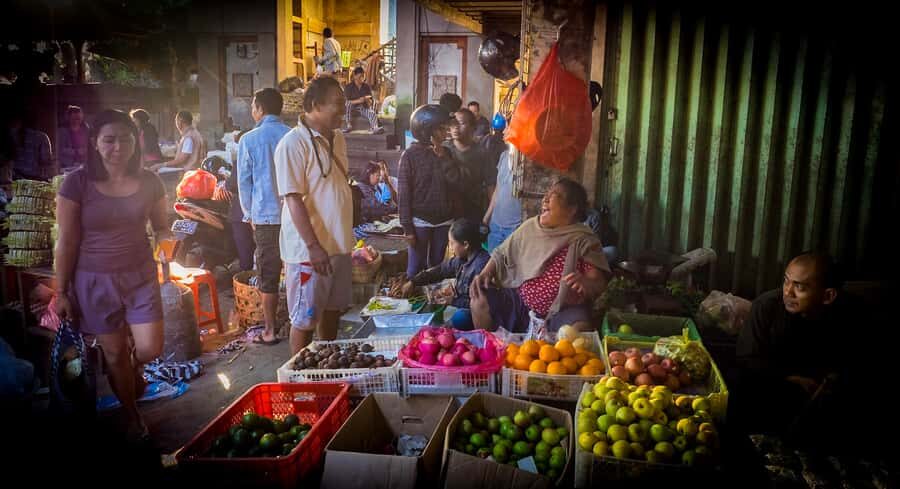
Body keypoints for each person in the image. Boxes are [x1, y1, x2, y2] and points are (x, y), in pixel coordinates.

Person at [54, 109, 169, 442]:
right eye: (109, 139)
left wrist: (169, 243)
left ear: (136, 140)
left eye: (126, 138)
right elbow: (67, 240)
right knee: (114, 353)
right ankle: (132, 416)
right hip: (93, 281)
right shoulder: (77, 182)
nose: (118, 146)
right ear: (95, 143)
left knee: (149, 349)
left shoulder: (150, 180)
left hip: (141, 277)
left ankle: (134, 367)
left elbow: (161, 227)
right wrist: (61, 291)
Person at [733, 252, 865, 446]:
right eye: (786, 281)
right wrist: (789, 377)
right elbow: (747, 358)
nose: (788, 292)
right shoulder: (766, 306)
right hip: (771, 392)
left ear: (828, 296)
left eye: (799, 287)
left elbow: (856, 362)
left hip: (820, 402)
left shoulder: (851, 315)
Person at [274, 76, 354, 355]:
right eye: (337, 104)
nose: (343, 111)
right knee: (304, 320)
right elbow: (292, 199)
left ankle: (325, 371)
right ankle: (298, 383)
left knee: (333, 312)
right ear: (314, 105)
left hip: (339, 246)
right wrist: (313, 247)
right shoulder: (292, 143)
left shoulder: (339, 139)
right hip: (309, 253)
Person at [469, 179, 610, 333]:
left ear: (572, 209)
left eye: (555, 195)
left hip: (562, 311)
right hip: (521, 305)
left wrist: (586, 283)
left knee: (579, 329)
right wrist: (485, 273)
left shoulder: (583, 239)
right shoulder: (530, 227)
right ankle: (490, 351)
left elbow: (599, 284)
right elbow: (501, 253)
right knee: (479, 301)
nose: (546, 198)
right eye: (546, 194)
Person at [236, 88, 291, 345]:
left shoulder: (249, 139)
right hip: (294, 215)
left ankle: (270, 331)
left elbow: (243, 183)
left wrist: (249, 214)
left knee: (268, 274)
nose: (252, 111)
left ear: (259, 109)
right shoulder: (293, 135)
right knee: (294, 268)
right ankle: (295, 323)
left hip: (265, 217)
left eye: (253, 107)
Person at [399, 104, 462, 278]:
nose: (445, 133)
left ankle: (431, 302)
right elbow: (404, 195)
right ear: (427, 131)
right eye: (441, 129)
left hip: (444, 221)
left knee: (436, 267)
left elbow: (456, 182)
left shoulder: (447, 153)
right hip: (420, 222)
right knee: (414, 268)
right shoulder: (409, 156)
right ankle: (412, 302)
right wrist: (407, 229)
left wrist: (442, 157)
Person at [401, 218, 490, 330]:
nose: (450, 247)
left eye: (452, 243)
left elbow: (484, 304)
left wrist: (453, 301)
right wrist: (413, 282)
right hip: (467, 308)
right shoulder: (462, 259)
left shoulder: (481, 267)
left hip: (484, 316)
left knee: (460, 317)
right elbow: (440, 271)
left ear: (466, 244)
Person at [444, 108, 494, 222]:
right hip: (447, 212)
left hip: (473, 210)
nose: (456, 127)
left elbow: (491, 185)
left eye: (461, 123)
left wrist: (490, 215)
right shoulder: (444, 149)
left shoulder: (482, 153)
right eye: (453, 124)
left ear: (472, 127)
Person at [483, 146, 522, 251]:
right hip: (496, 225)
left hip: (516, 228)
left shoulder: (528, 163)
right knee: (493, 261)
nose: (504, 132)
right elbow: (498, 189)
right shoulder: (504, 156)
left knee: (511, 264)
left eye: (509, 129)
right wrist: (486, 217)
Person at [8, 112, 54, 180]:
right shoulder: (42, 136)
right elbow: (46, 160)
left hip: (14, 177)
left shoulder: (11, 135)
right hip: (34, 179)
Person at [343, 66, 382, 134]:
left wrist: (367, 100)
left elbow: (370, 102)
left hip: (363, 108)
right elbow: (346, 102)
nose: (361, 78)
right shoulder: (348, 87)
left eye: (363, 76)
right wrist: (359, 100)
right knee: (348, 104)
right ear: (354, 76)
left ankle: (375, 128)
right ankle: (348, 125)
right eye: (360, 76)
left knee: (372, 113)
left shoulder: (366, 86)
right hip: (352, 110)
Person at [57, 105, 89, 171]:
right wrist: (76, 152)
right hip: (67, 165)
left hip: (84, 164)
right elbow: (60, 149)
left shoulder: (86, 129)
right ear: (69, 117)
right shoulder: (62, 131)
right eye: (75, 118)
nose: (77, 120)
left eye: (79, 118)